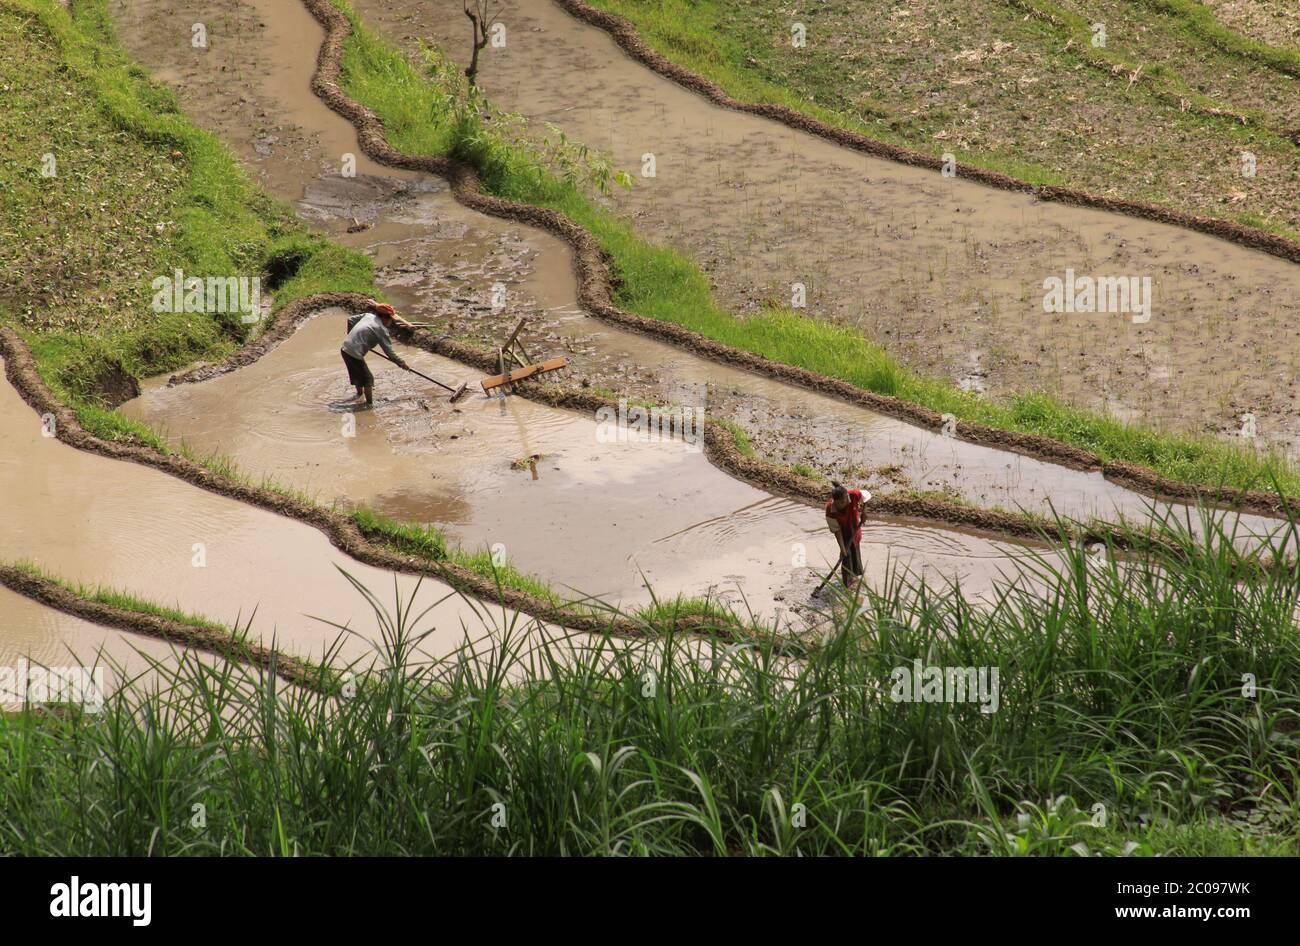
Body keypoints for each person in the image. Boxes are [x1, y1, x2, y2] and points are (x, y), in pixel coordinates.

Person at [341, 302, 413, 406]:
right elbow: (389, 352)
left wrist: (353, 337)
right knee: (368, 379)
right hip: (354, 353)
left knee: (356, 374)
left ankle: (359, 395)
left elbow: (350, 320)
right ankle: (369, 405)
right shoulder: (381, 329)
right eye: (390, 320)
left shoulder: (368, 316)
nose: (391, 323)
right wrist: (401, 363)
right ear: (384, 317)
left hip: (345, 348)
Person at [825, 481, 868, 588]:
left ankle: (855, 578)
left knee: (855, 553)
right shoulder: (830, 510)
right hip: (843, 534)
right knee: (845, 556)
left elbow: (867, 495)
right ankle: (847, 585)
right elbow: (837, 530)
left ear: (847, 496)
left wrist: (864, 512)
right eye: (840, 502)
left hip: (854, 531)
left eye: (845, 500)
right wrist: (842, 548)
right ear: (835, 501)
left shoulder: (852, 495)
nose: (844, 504)